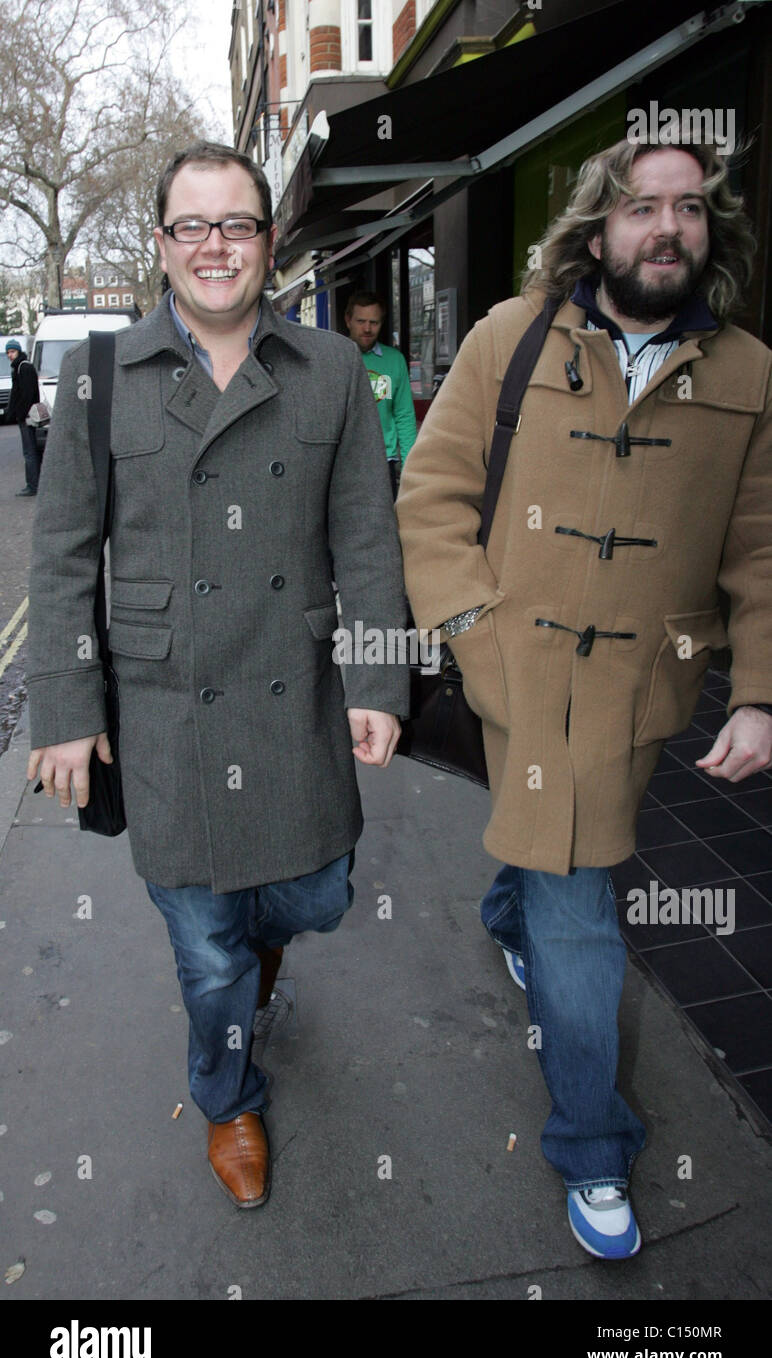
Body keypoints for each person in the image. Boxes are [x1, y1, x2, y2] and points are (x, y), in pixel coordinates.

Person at [396, 137, 772, 1259]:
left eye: (691, 209)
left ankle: (504, 912)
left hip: (641, 688)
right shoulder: (506, 340)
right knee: (580, 911)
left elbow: (759, 549)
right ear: (597, 226)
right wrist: (472, 629)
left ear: (712, 231)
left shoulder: (750, 372)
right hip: (515, 670)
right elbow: (433, 494)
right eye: (644, 207)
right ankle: (593, 1144)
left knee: (548, 853)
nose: (668, 227)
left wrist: (755, 693)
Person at [26, 141, 408, 1210]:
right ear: (160, 245)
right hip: (164, 705)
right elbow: (60, 554)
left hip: (294, 690)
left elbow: (367, 539)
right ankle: (229, 1091)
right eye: (190, 226)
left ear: (268, 240)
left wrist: (378, 680)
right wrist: (64, 708)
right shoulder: (100, 374)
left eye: (235, 224)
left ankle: (259, 950)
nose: (214, 246)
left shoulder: (328, 370)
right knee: (206, 954)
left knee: (318, 892)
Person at [344, 291, 417, 497]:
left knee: (385, 526)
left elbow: (404, 416)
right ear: (348, 320)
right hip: (344, 462)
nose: (367, 328)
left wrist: (410, 467)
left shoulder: (394, 360)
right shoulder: (335, 358)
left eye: (374, 322)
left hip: (384, 461)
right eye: (361, 321)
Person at [6, 339, 43, 496]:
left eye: (12, 352)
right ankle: (36, 484)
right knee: (32, 451)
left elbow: (26, 394)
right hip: (26, 415)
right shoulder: (20, 367)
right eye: (8, 352)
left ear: (18, 351)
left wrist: (20, 413)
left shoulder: (23, 367)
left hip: (27, 417)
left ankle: (33, 485)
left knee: (29, 452)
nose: (10, 355)